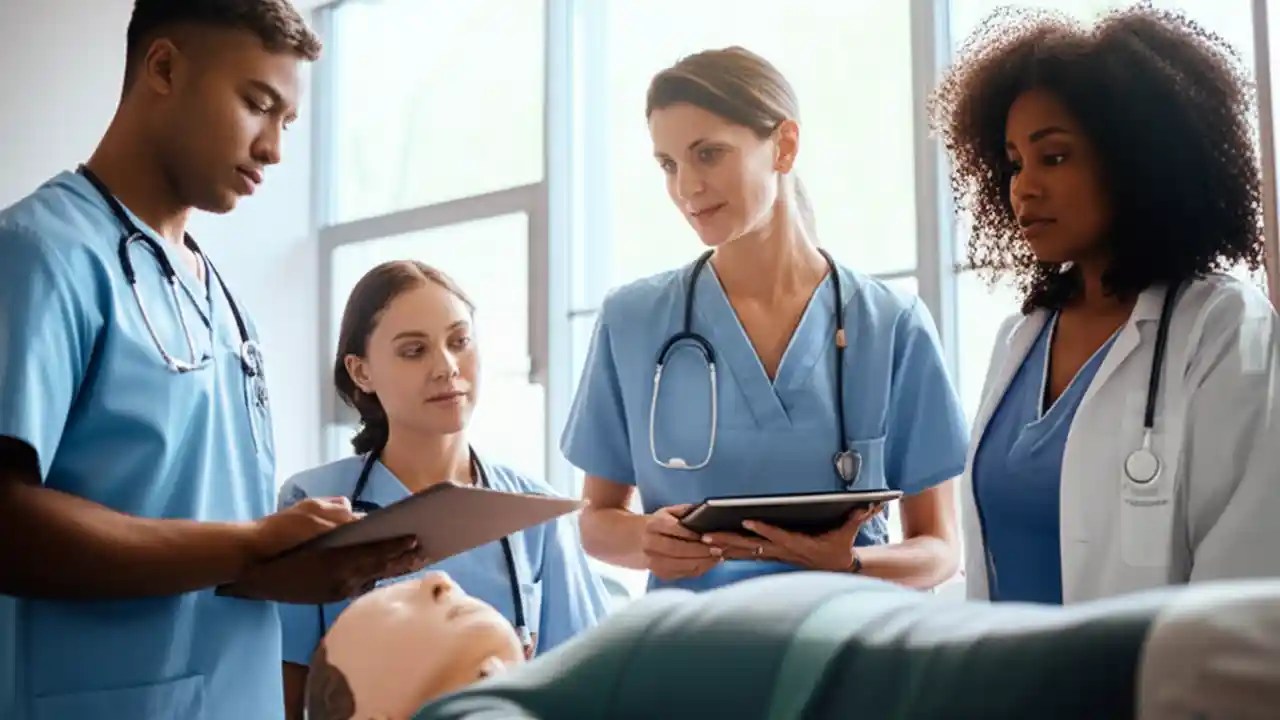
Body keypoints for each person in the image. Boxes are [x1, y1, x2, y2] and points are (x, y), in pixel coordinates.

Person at [0, 3, 429, 719]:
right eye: (257, 105)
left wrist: (289, 566)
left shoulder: (223, 301)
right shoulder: (40, 255)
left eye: (286, 123)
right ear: (163, 68)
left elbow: (201, 529)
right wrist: (248, 548)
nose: (273, 150)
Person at [560, 46, 970, 593]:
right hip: (690, 652)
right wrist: (645, 541)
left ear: (784, 145)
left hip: (848, 646)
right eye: (668, 164)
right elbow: (595, 520)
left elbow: (940, 549)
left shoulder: (890, 324)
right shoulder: (631, 321)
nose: (686, 188)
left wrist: (847, 564)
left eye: (708, 154)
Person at [929, 5, 1280, 605]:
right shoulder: (1021, 339)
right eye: (1014, 163)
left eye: (1054, 157)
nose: (1024, 186)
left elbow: (1243, 583)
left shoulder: (1223, 328)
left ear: (1136, 159)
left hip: (1149, 691)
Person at [277, 260, 610, 719]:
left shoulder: (536, 511)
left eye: (459, 342)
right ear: (361, 372)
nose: (447, 367)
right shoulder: (313, 503)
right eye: (414, 351)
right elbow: (286, 690)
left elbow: (586, 680)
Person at [307, 570, 1280, 720]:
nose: (435, 579)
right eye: (388, 604)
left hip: (947, 649)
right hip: (947, 686)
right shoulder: (470, 711)